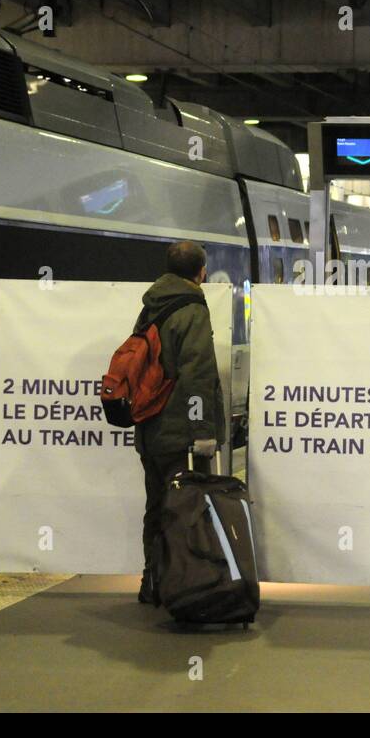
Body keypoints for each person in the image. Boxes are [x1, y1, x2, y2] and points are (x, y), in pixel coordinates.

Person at [133, 240, 225, 603]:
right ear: (201, 272)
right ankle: (187, 586)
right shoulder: (192, 308)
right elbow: (197, 376)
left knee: (157, 506)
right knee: (186, 510)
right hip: (181, 435)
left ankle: (153, 582)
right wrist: (203, 432)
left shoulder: (151, 305)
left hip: (151, 430)